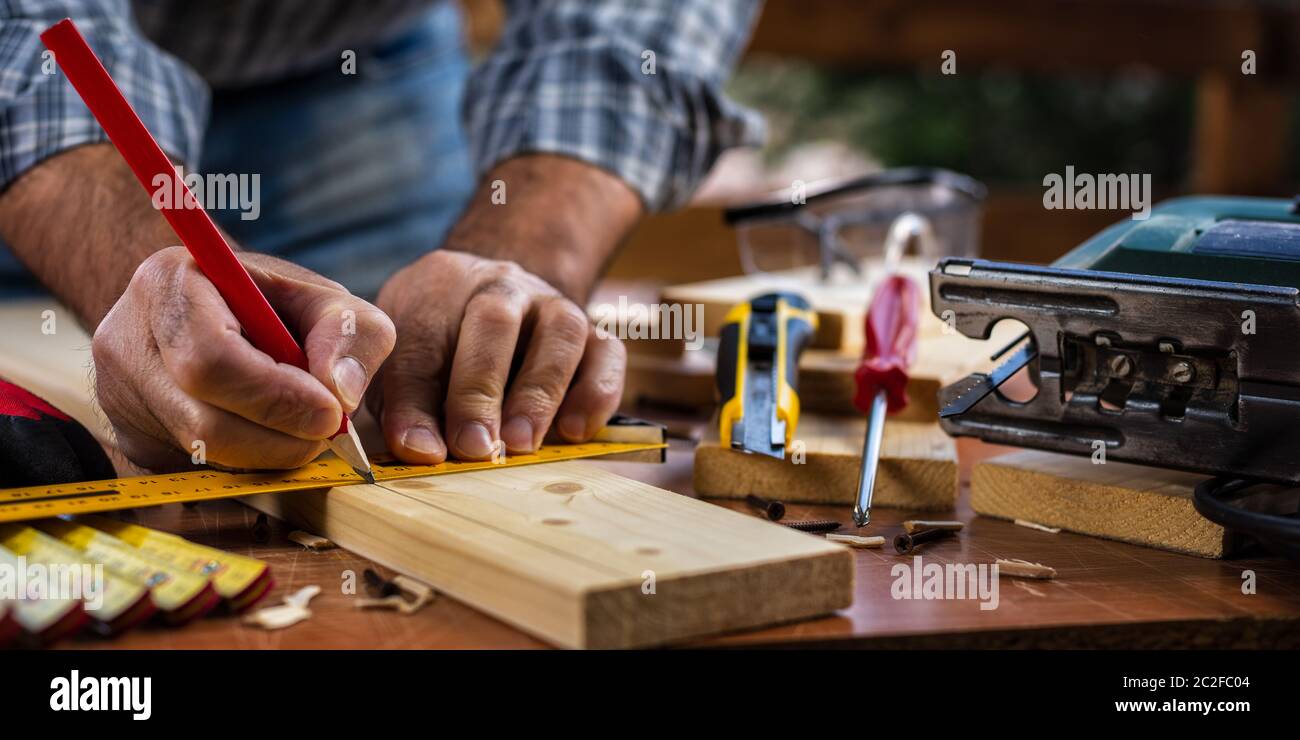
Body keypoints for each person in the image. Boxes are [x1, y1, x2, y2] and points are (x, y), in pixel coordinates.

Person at [0, 1, 762, 478]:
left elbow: (631, 20)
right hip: (36, 82)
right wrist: (145, 299)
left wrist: (516, 265)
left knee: (415, 373)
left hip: (361, 64)